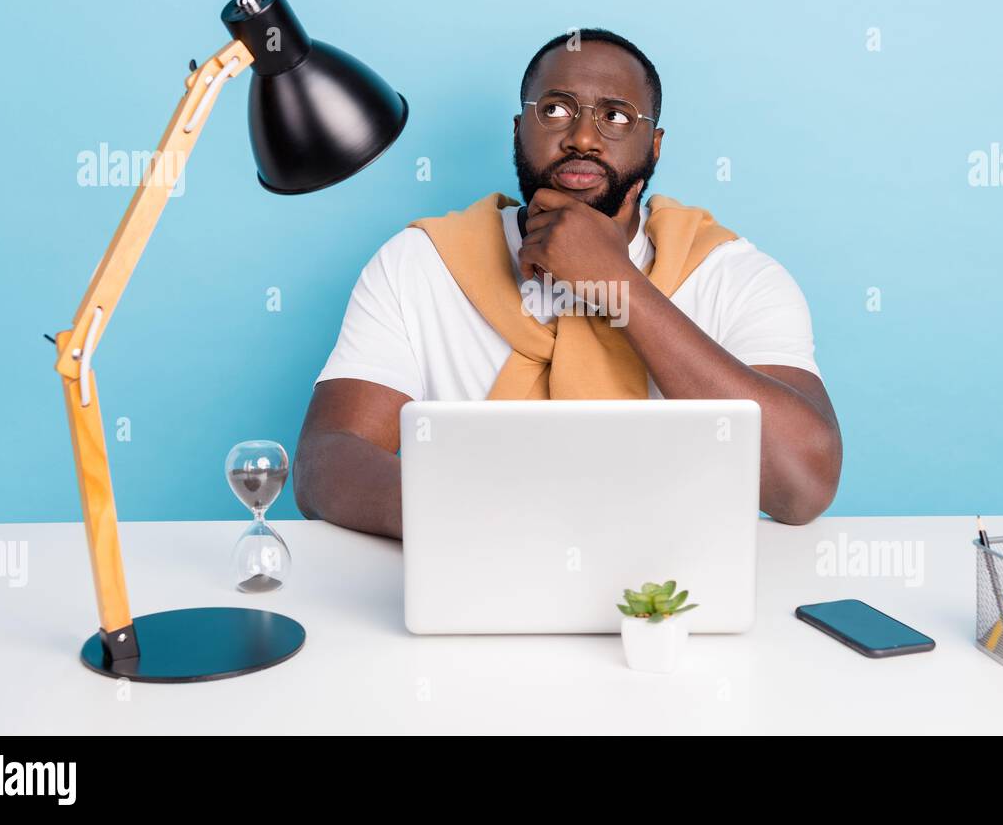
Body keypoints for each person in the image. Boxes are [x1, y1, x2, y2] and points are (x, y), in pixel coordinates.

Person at [293, 29, 841, 538]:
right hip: (477, 573)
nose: (582, 138)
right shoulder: (420, 262)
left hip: (667, 600)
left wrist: (617, 283)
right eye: (554, 110)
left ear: (655, 144)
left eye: (617, 117)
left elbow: (803, 486)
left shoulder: (734, 276)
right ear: (517, 130)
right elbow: (326, 459)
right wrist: (471, 521)